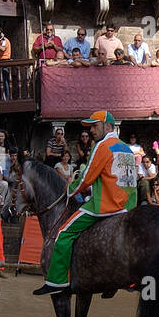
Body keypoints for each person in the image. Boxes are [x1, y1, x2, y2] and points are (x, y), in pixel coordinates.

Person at [35, 111, 138, 295]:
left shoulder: (102, 146)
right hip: (126, 207)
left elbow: (86, 178)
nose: (91, 130)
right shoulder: (126, 148)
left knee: (63, 233)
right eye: (90, 127)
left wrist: (69, 190)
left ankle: (57, 282)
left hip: (104, 205)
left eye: (94, 126)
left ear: (107, 126)